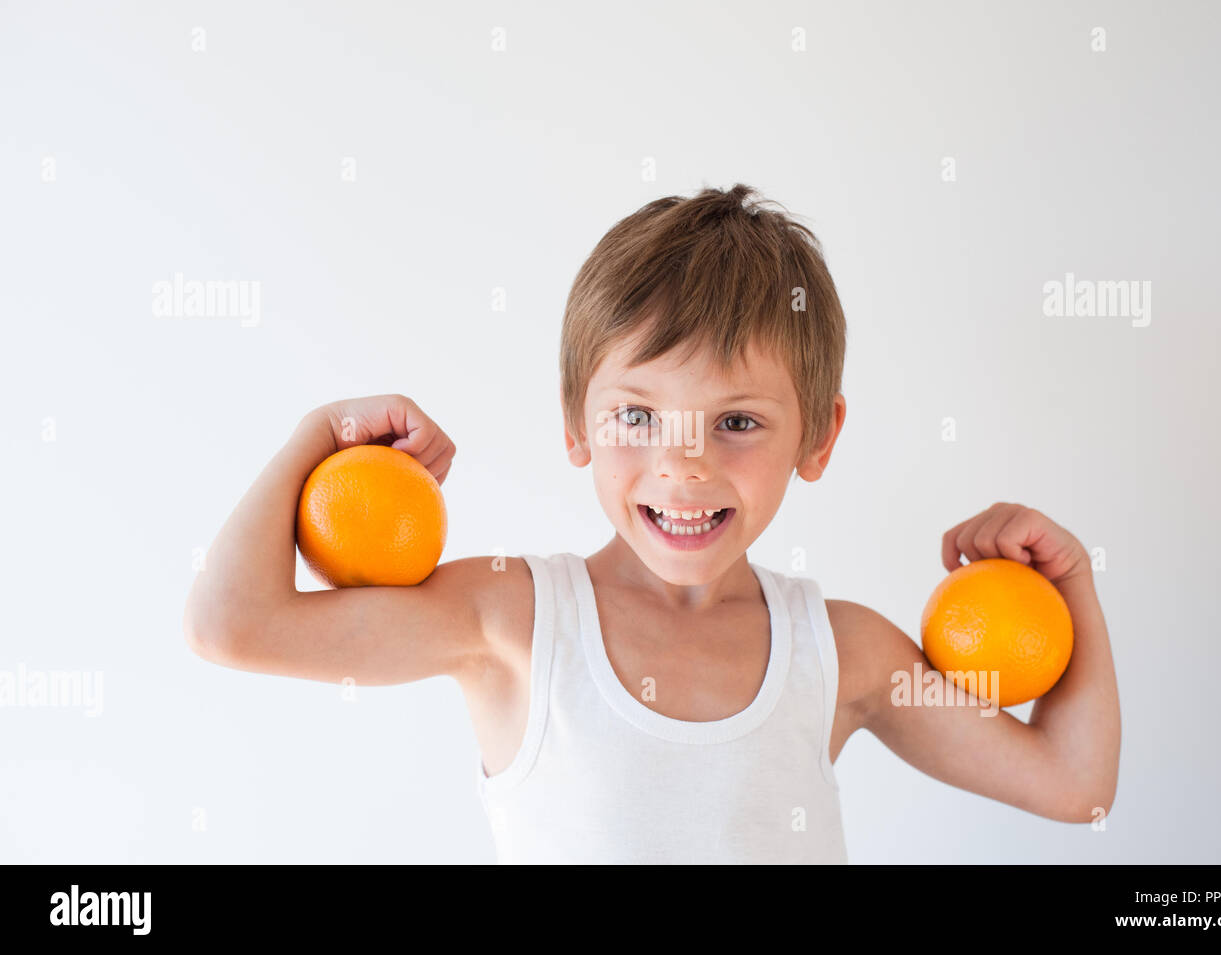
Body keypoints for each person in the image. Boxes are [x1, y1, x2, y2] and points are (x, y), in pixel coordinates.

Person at [182, 183, 1120, 864]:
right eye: (637, 415)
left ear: (819, 436)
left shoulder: (842, 655)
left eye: (738, 421)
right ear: (574, 420)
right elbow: (234, 623)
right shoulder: (512, 619)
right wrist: (320, 434)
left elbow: (1074, 785)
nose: (685, 463)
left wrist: (1070, 577)